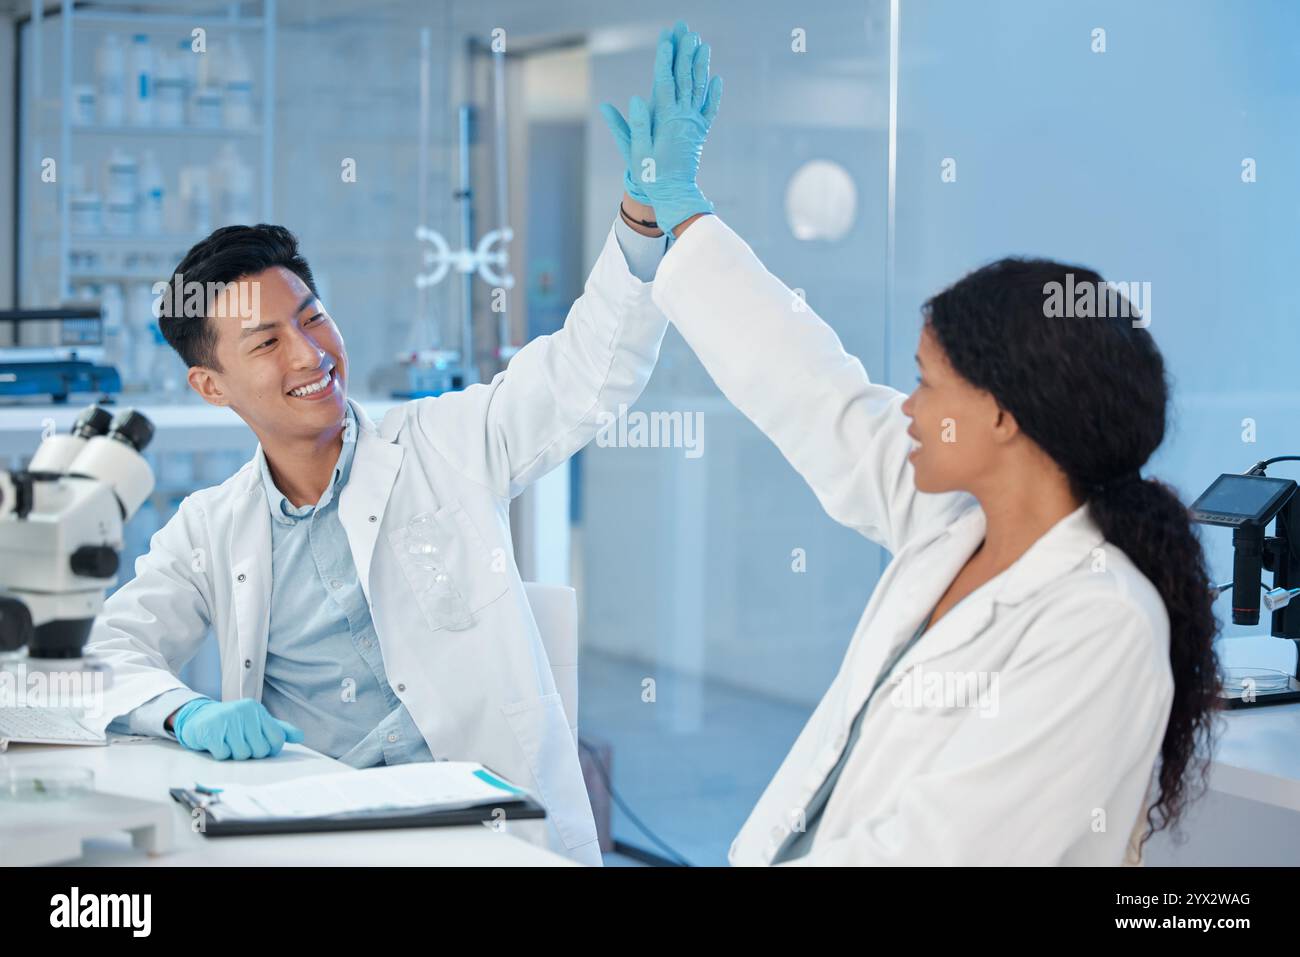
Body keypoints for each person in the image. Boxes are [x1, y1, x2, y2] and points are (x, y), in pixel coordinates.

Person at [601, 21, 1220, 865]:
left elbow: (946, 848)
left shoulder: (1102, 625)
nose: (908, 409)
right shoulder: (957, 520)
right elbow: (812, 389)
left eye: (929, 383)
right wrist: (685, 215)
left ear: (1003, 416)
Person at [85, 194, 675, 866]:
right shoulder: (210, 527)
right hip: (325, 843)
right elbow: (105, 651)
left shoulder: (445, 444)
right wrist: (182, 711)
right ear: (211, 386)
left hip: (484, 838)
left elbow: (582, 378)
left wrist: (641, 221)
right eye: (268, 342)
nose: (310, 355)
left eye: (313, 319)